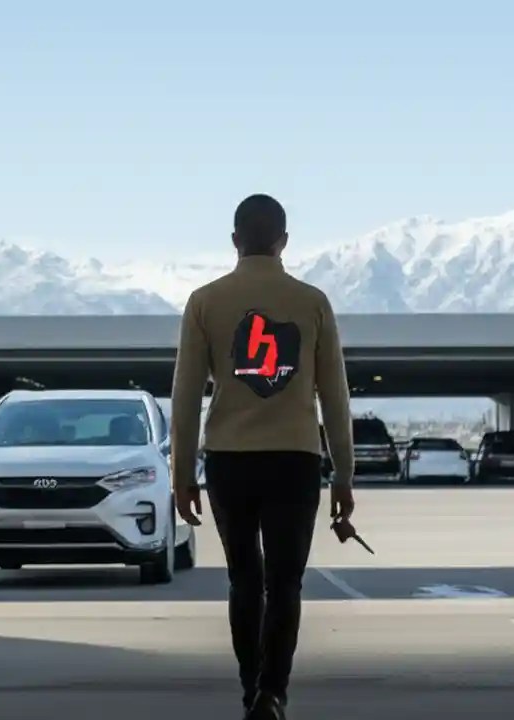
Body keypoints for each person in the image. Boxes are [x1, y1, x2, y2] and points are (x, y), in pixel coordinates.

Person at [169, 193, 356, 719]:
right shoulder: (312, 302)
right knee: (286, 582)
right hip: (294, 461)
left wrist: (182, 475)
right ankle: (274, 692)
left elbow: (184, 397)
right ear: (284, 242)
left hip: (229, 459)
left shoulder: (205, 302)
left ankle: (251, 687)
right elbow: (335, 395)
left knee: (243, 579)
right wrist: (344, 473)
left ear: (234, 241)